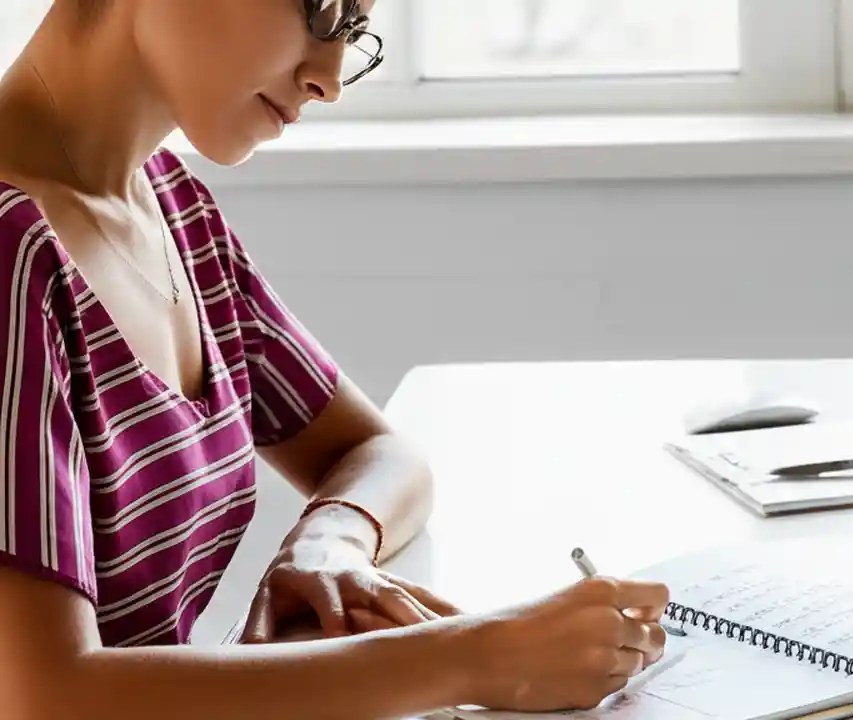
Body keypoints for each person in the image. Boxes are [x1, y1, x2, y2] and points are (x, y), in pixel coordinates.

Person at [0, 1, 668, 717]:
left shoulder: (168, 206)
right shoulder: (12, 253)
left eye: (353, 32)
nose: (330, 78)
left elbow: (378, 450)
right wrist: (479, 657)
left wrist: (328, 543)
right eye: (319, 12)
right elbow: (44, 696)